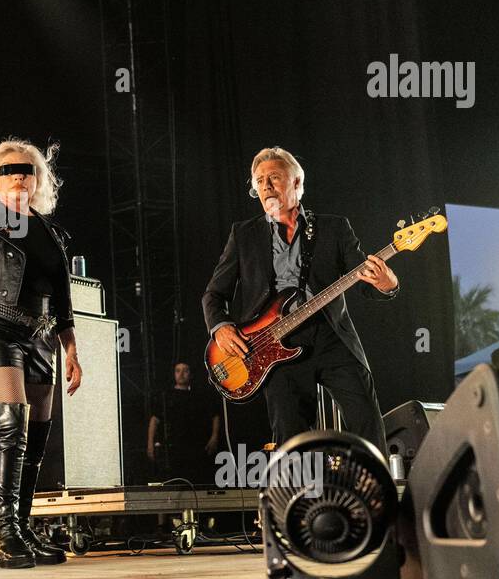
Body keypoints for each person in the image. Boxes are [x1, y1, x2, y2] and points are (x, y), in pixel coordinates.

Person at [202, 147, 396, 455]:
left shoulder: (334, 227)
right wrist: (221, 327)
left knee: (366, 418)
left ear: (296, 184)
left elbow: (367, 282)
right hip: (272, 344)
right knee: (291, 438)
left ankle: (373, 491)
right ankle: (303, 500)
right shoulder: (243, 234)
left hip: (331, 335)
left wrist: (387, 282)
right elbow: (214, 295)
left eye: (274, 177)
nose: (265, 185)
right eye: (259, 180)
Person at [0, 139, 82, 568]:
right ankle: (3, 531)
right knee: (11, 421)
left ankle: (22, 527)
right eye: (7, 170)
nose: (18, 176)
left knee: (37, 440)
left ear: (38, 177)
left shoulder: (50, 231)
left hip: (42, 337)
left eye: (26, 169)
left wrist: (73, 354)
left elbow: (64, 304)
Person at [146, 362, 221, 485]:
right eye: (178, 370)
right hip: (173, 450)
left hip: (196, 448)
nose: (181, 374)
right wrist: (150, 444)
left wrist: (214, 437)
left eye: (185, 370)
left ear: (190, 374)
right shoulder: (166, 396)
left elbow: (215, 416)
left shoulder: (199, 396)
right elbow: (154, 420)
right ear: (174, 374)